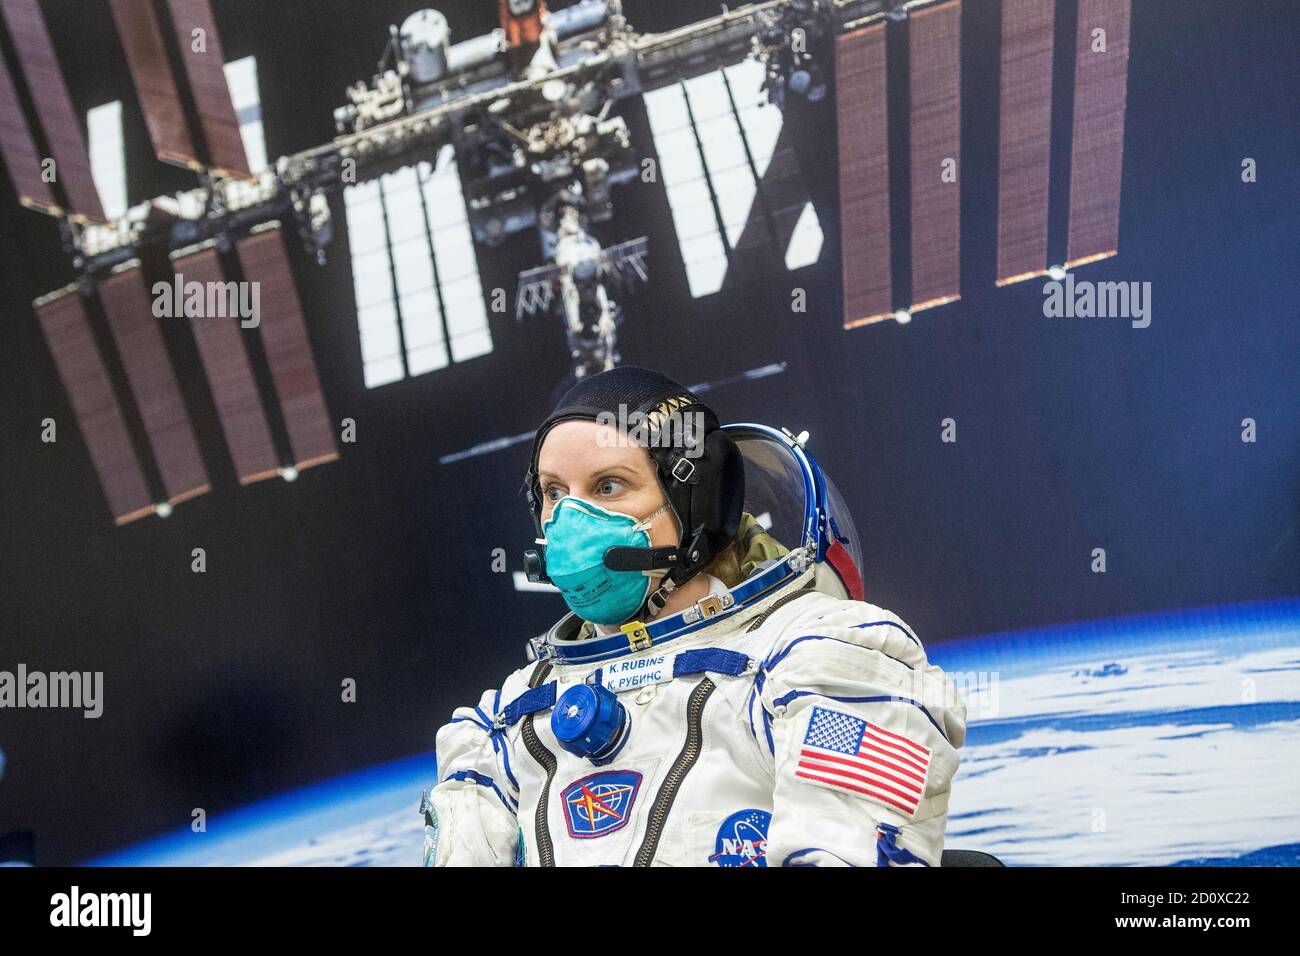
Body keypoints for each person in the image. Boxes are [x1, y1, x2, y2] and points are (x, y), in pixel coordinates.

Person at [423, 366, 966, 867]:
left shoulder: (824, 657)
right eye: (553, 493)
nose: (569, 519)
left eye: (608, 486)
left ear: (692, 503)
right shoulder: (504, 720)